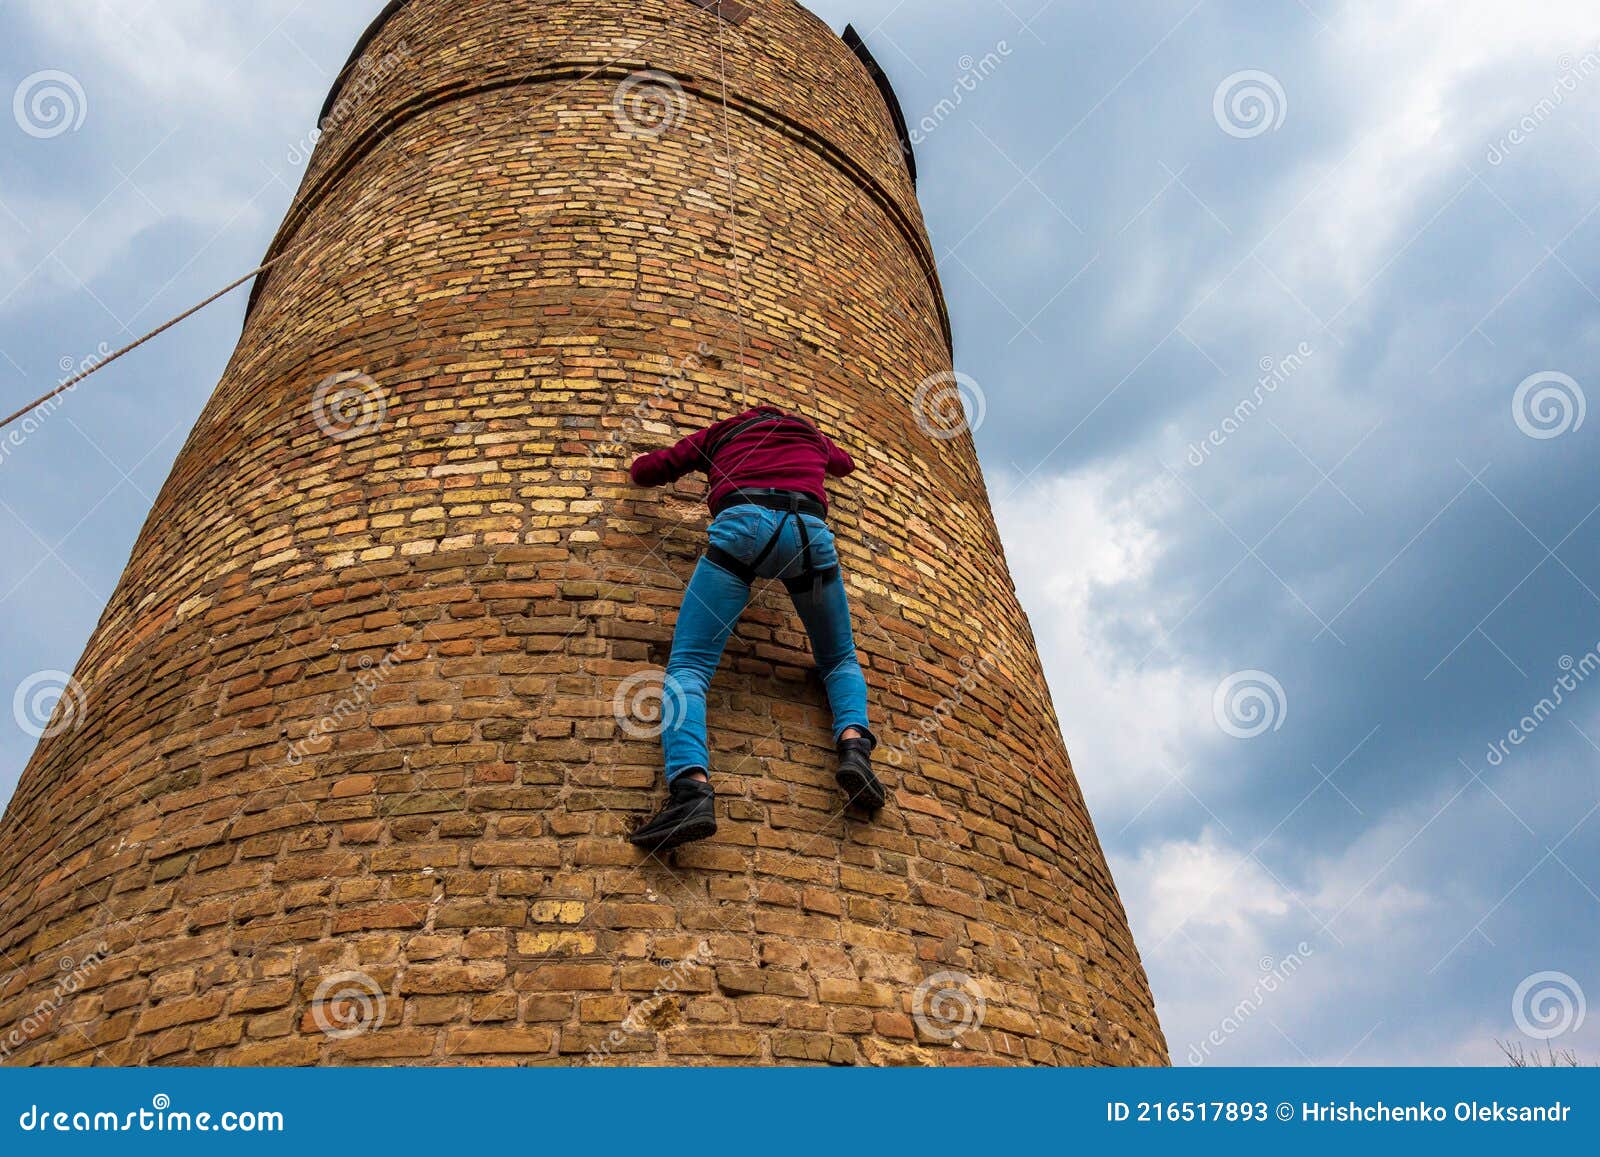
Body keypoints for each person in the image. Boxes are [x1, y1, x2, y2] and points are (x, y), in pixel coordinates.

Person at [626, 404, 882, 852]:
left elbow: (652, 470)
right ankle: (854, 748)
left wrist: (637, 466)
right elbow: (846, 464)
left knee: (689, 668)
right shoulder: (810, 435)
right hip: (808, 534)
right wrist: (813, 442)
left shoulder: (719, 434)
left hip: (742, 528)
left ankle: (691, 792)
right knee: (838, 658)